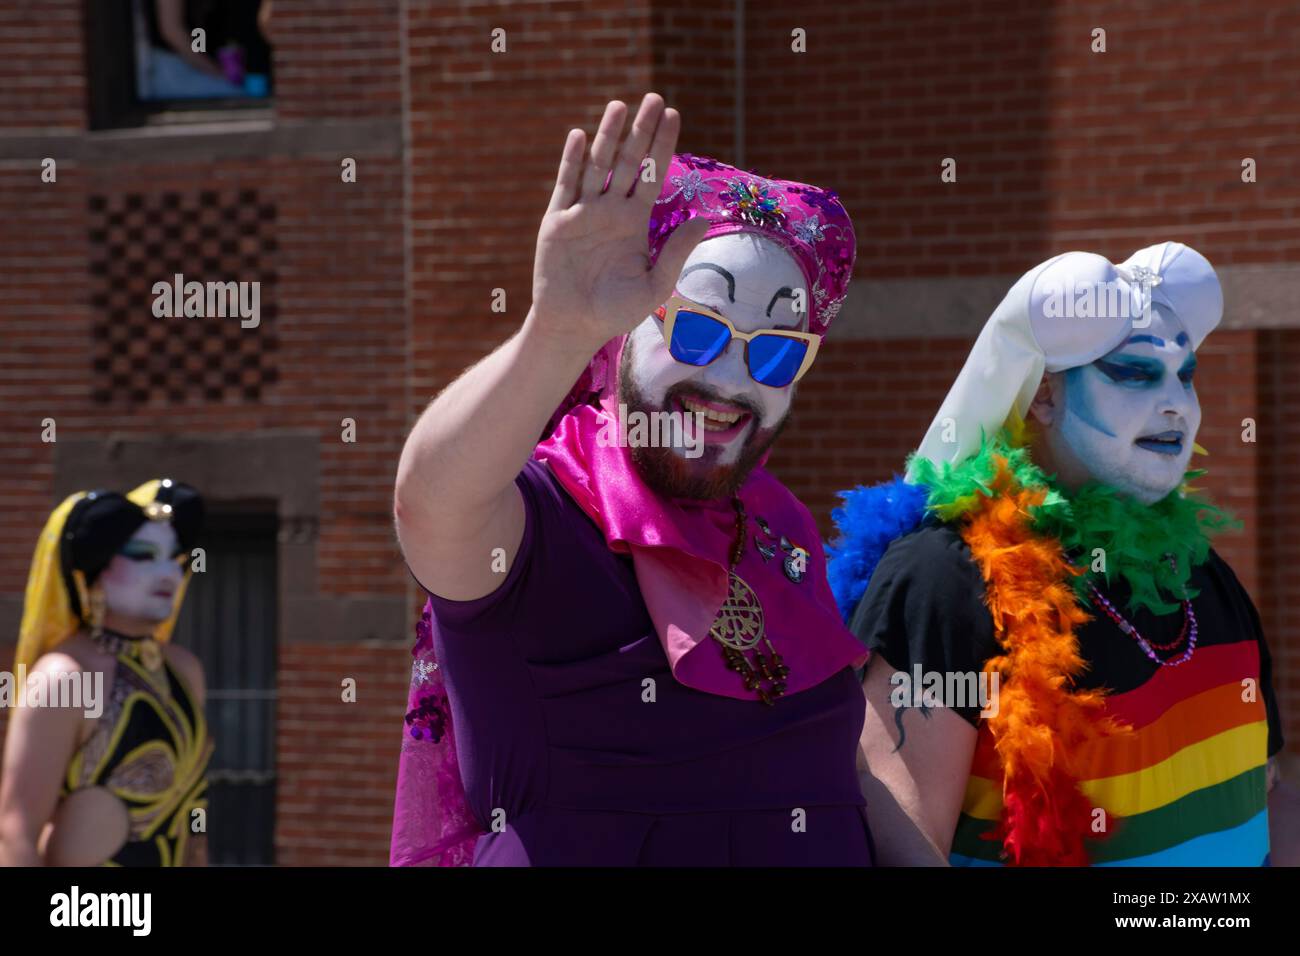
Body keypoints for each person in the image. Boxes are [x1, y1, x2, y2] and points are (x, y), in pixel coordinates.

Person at [391, 93, 872, 866]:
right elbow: (430, 505)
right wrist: (554, 331)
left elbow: (838, 775)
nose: (732, 380)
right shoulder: (537, 519)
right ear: (619, 337)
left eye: (778, 350)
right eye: (698, 327)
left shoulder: (782, 526)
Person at [828, 243, 1294, 866]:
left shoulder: (1203, 574)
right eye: (1134, 373)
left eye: (1185, 375)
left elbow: (1263, 804)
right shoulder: (943, 576)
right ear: (1044, 397)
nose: (1176, 405)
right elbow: (902, 850)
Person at [0, 479, 211, 866]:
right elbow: (15, 831)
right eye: (145, 555)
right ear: (95, 574)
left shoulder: (185, 670)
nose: (167, 572)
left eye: (174, 557)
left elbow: (194, 817)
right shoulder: (69, 678)